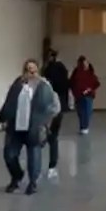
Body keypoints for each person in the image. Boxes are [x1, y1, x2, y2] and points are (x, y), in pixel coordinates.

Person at [0, 59, 61, 195]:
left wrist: (45, 122)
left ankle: (33, 182)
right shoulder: (17, 84)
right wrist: (4, 118)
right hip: (16, 126)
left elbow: (55, 106)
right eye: (27, 69)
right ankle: (17, 176)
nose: (30, 72)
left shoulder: (44, 86)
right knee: (9, 154)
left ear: (37, 71)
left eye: (33, 70)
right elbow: (9, 102)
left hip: (34, 127)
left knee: (34, 156)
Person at [41, 50, 70, 179]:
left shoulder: (48, 70)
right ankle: (52, 166)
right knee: (53, 137)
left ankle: (46, 165)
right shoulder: (61, 69)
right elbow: (66, 85)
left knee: (46, 136)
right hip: (58, 107)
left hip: (50, 106)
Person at [69, 55, 100, 134]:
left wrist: (89, 89)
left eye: (86, 63)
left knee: (87, 111)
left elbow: (96, 83)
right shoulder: (77, 72)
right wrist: (75, 92)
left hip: (88, 95)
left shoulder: (90, 72)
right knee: (81, 111)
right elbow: (72, 83)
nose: (86, 64)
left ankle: (84, 126)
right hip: (79, 95)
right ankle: (83, 126)